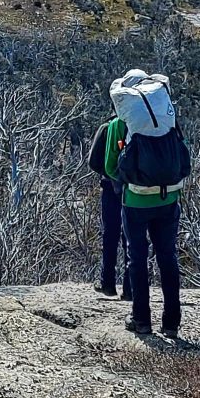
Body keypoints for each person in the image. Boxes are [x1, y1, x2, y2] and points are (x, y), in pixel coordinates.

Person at [103, 71, 186, 338]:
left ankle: (141, 320)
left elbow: (109, 167)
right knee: (168, 257)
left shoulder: (120, 123)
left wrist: (129, 180)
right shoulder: (168, 119)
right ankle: (171, 322)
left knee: (136, 258)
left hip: (136, 200)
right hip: (169, 197)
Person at [88, 121, 131, 300]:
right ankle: (131, 288)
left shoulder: (108, 128)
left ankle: (108, 283)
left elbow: (93, 161)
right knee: (132, 238)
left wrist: (108, 174)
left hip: (110, 188)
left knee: (110, 235)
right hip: (136, 189)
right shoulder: (142, 125)